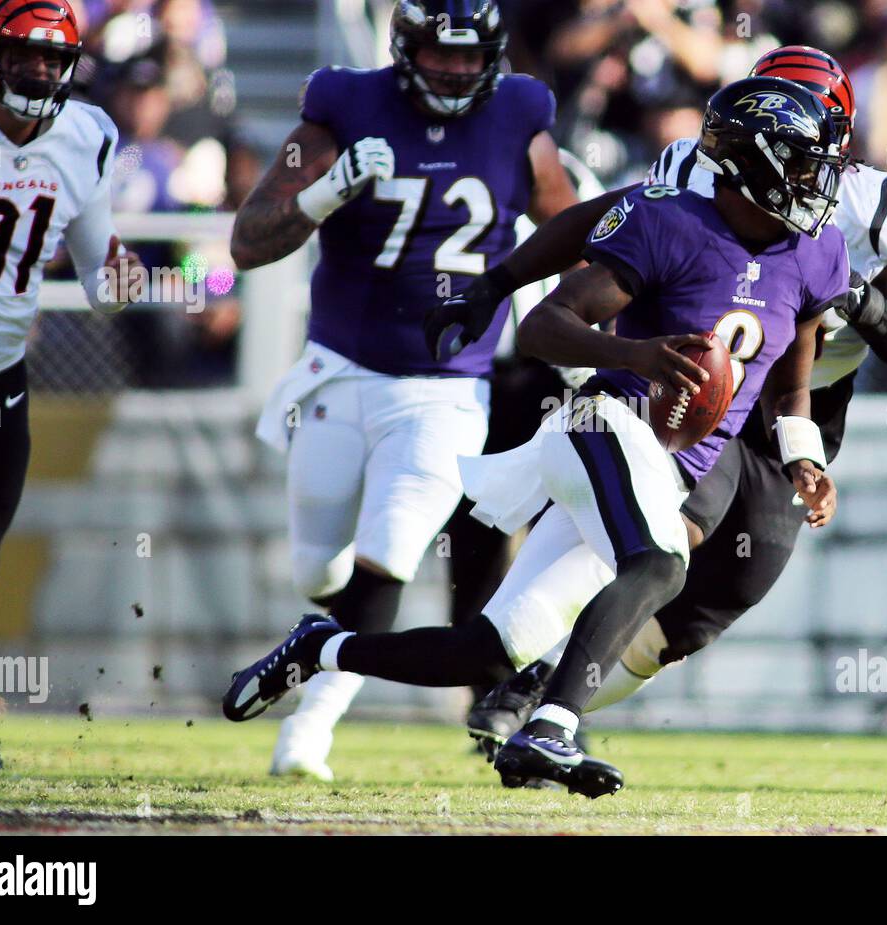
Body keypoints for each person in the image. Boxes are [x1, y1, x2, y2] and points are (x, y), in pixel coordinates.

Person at [223, 76, 851, 797]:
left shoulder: (818, 252)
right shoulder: (672, 221)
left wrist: (803, 456)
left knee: (489, 651)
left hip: (667, 467)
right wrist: (638, 355)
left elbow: (789, 381)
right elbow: (545, 325)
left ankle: (320, 646)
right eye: (803, 163)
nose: (817, 181)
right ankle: (550, 729)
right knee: (660, 563)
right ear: (751, 162)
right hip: (602, 423)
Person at [452, 47, 887, 749]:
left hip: (799, 403)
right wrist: (497, 283)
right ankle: (544, 697)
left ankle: (550, 688)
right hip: (696, 387)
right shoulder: (699, 168)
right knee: (660, 537)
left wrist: (854, 296)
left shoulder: (880, 203)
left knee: (724, 592)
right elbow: (597, 219)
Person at [227, 0, 578, 782]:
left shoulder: (521, 113)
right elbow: (246, 243)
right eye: (439, 54)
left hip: (447, 389)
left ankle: (308, 730)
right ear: (403, 47)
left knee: (390, 555)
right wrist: (326, 194)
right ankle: (315, 633)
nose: (456, 70)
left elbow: (571, 238)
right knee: (318, 571)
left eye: (469, 55)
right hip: (339, 370)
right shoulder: (344, 104)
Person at [0, 0, 141, 773]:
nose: (39, 71)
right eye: (23, 54)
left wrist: (137, 280)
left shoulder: (86, 137)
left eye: (52, 58)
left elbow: (102, 275)